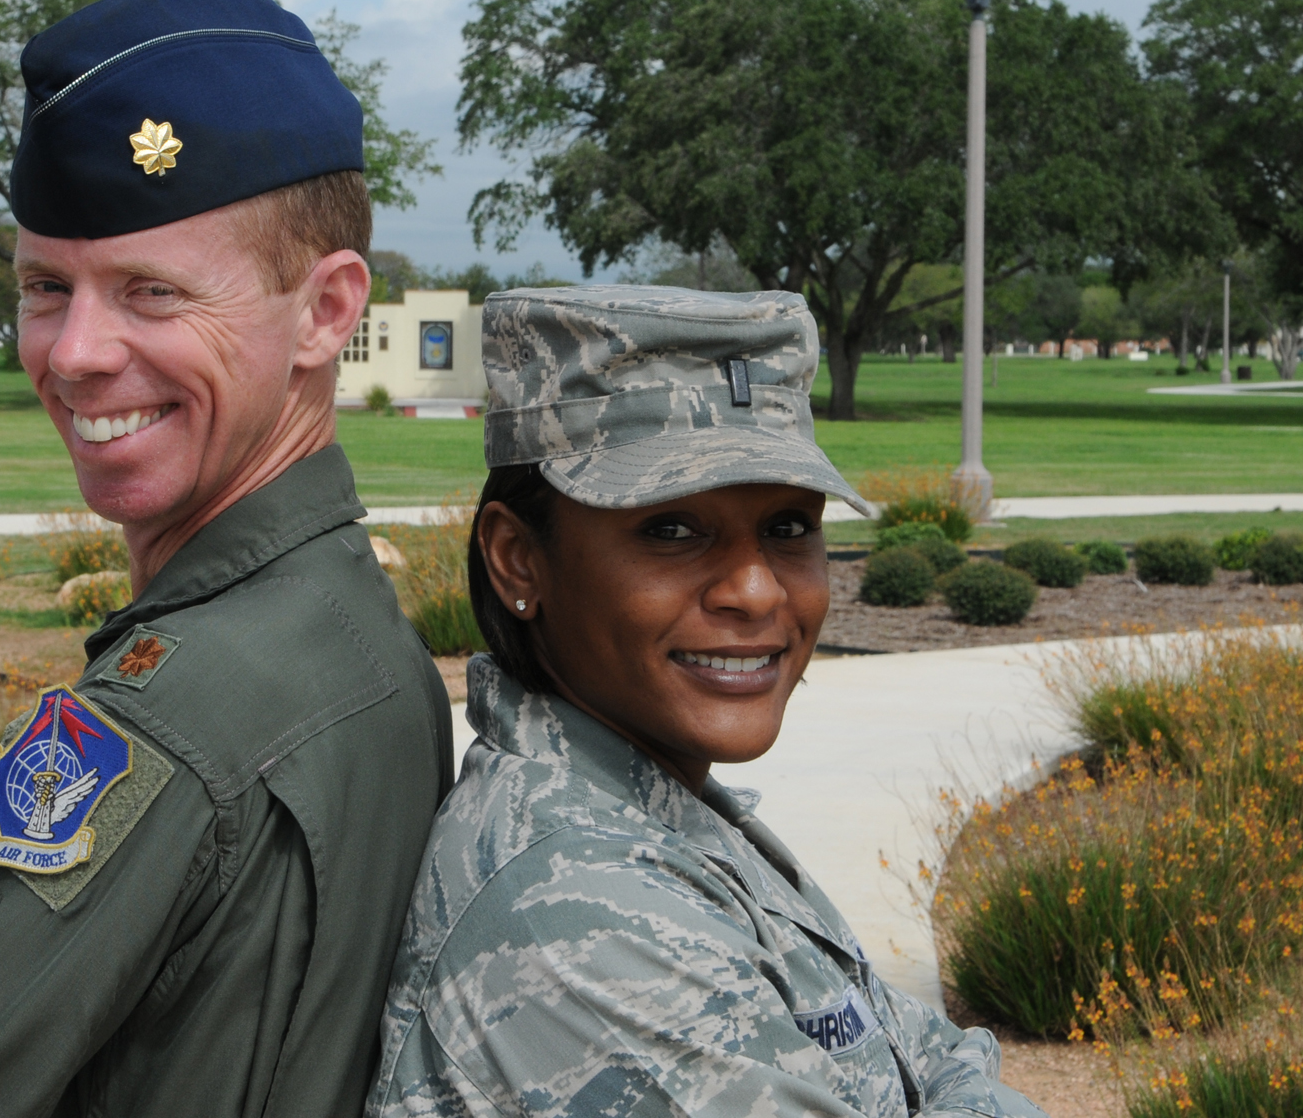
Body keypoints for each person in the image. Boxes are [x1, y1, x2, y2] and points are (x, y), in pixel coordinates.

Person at [0, 0, 452, 1118]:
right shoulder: (348, 624)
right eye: (44, 288)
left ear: (324, 311)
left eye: (152, 292)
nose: (76, 354)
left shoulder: (170, 721)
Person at [366, 287, 1046, 1118]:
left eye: (790, 527)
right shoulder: (577, 918)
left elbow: (931, 1051)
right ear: (518, 561)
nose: (756, 591)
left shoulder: (654, 813)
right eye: (672, 530)